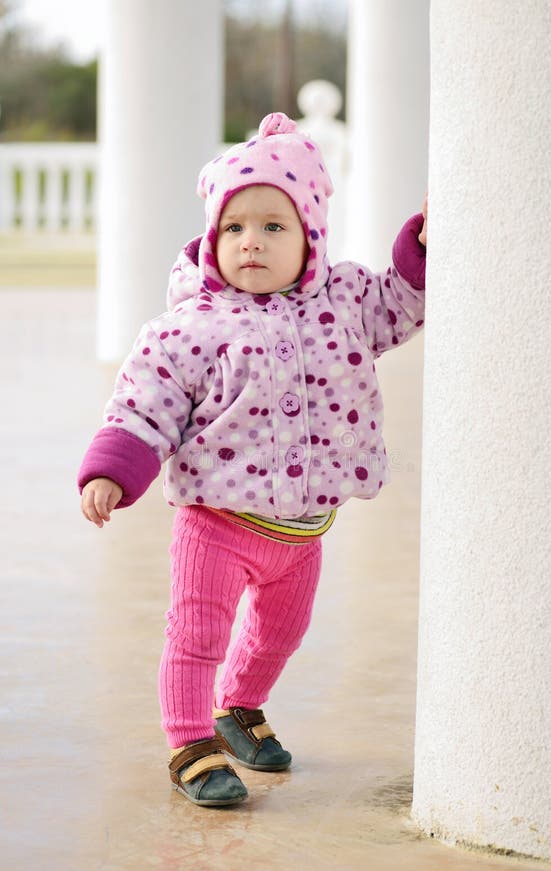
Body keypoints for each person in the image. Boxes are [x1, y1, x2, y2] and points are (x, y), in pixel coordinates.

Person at [78, 112, 427, 808]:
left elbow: (402, 304)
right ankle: (189, 744)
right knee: (197, 635)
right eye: (233, 228)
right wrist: (114, 467)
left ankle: (237, 709)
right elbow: (146, 399)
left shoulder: (347, 301)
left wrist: (422, 247)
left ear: (311, 237)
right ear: (212, 238)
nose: (251, 243)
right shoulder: (192, 324)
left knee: (278, 636)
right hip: (216, 522)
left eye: (274, 226)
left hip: (302, 535)